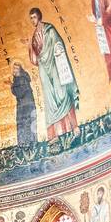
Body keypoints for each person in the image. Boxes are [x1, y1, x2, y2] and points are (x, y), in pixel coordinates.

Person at [28, 8, 79, 140]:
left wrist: (56, 50)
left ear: (39, 16)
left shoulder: (49, 29)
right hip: (44, 69)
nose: (32, 20)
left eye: (34, 17)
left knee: (62, 93)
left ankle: (74, 126)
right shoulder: (34, 37)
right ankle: (54, 135)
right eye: (31, 18)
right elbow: (34, 60)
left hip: (55, 64)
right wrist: (29, 45)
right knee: (50, 99)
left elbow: (58, 43)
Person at [10, 62, 38, 146]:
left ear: (20, 69)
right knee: (23, 122)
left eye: (16, 68)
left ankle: (30, 141)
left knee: (27, 122)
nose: (14, 70)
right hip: (23, 104)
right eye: (13, 68)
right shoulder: (18, 78)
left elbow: (20, 92)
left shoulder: (22, 78)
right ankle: (25, 142)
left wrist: (11, 85)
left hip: (26, 105)